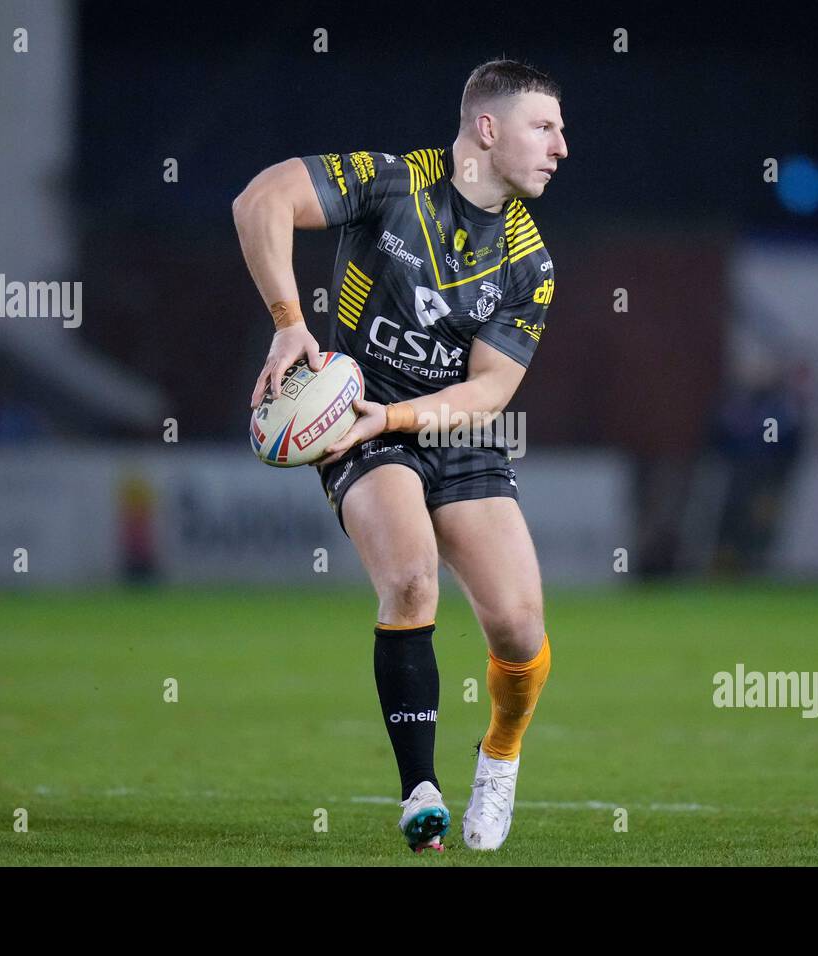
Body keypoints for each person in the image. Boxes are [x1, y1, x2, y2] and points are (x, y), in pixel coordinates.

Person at [232, 59, 567, 853]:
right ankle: (420, 790)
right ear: (488, 129)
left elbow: (489, 392)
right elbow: (261, 200)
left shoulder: (530, 263)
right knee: (411, 576)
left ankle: (501, 753)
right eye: (545, 127)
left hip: (450, 424)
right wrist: (288, 321)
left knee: (519, 630)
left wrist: (406, 412)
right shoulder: (391, 183)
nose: (561, 146)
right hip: (358, 423)